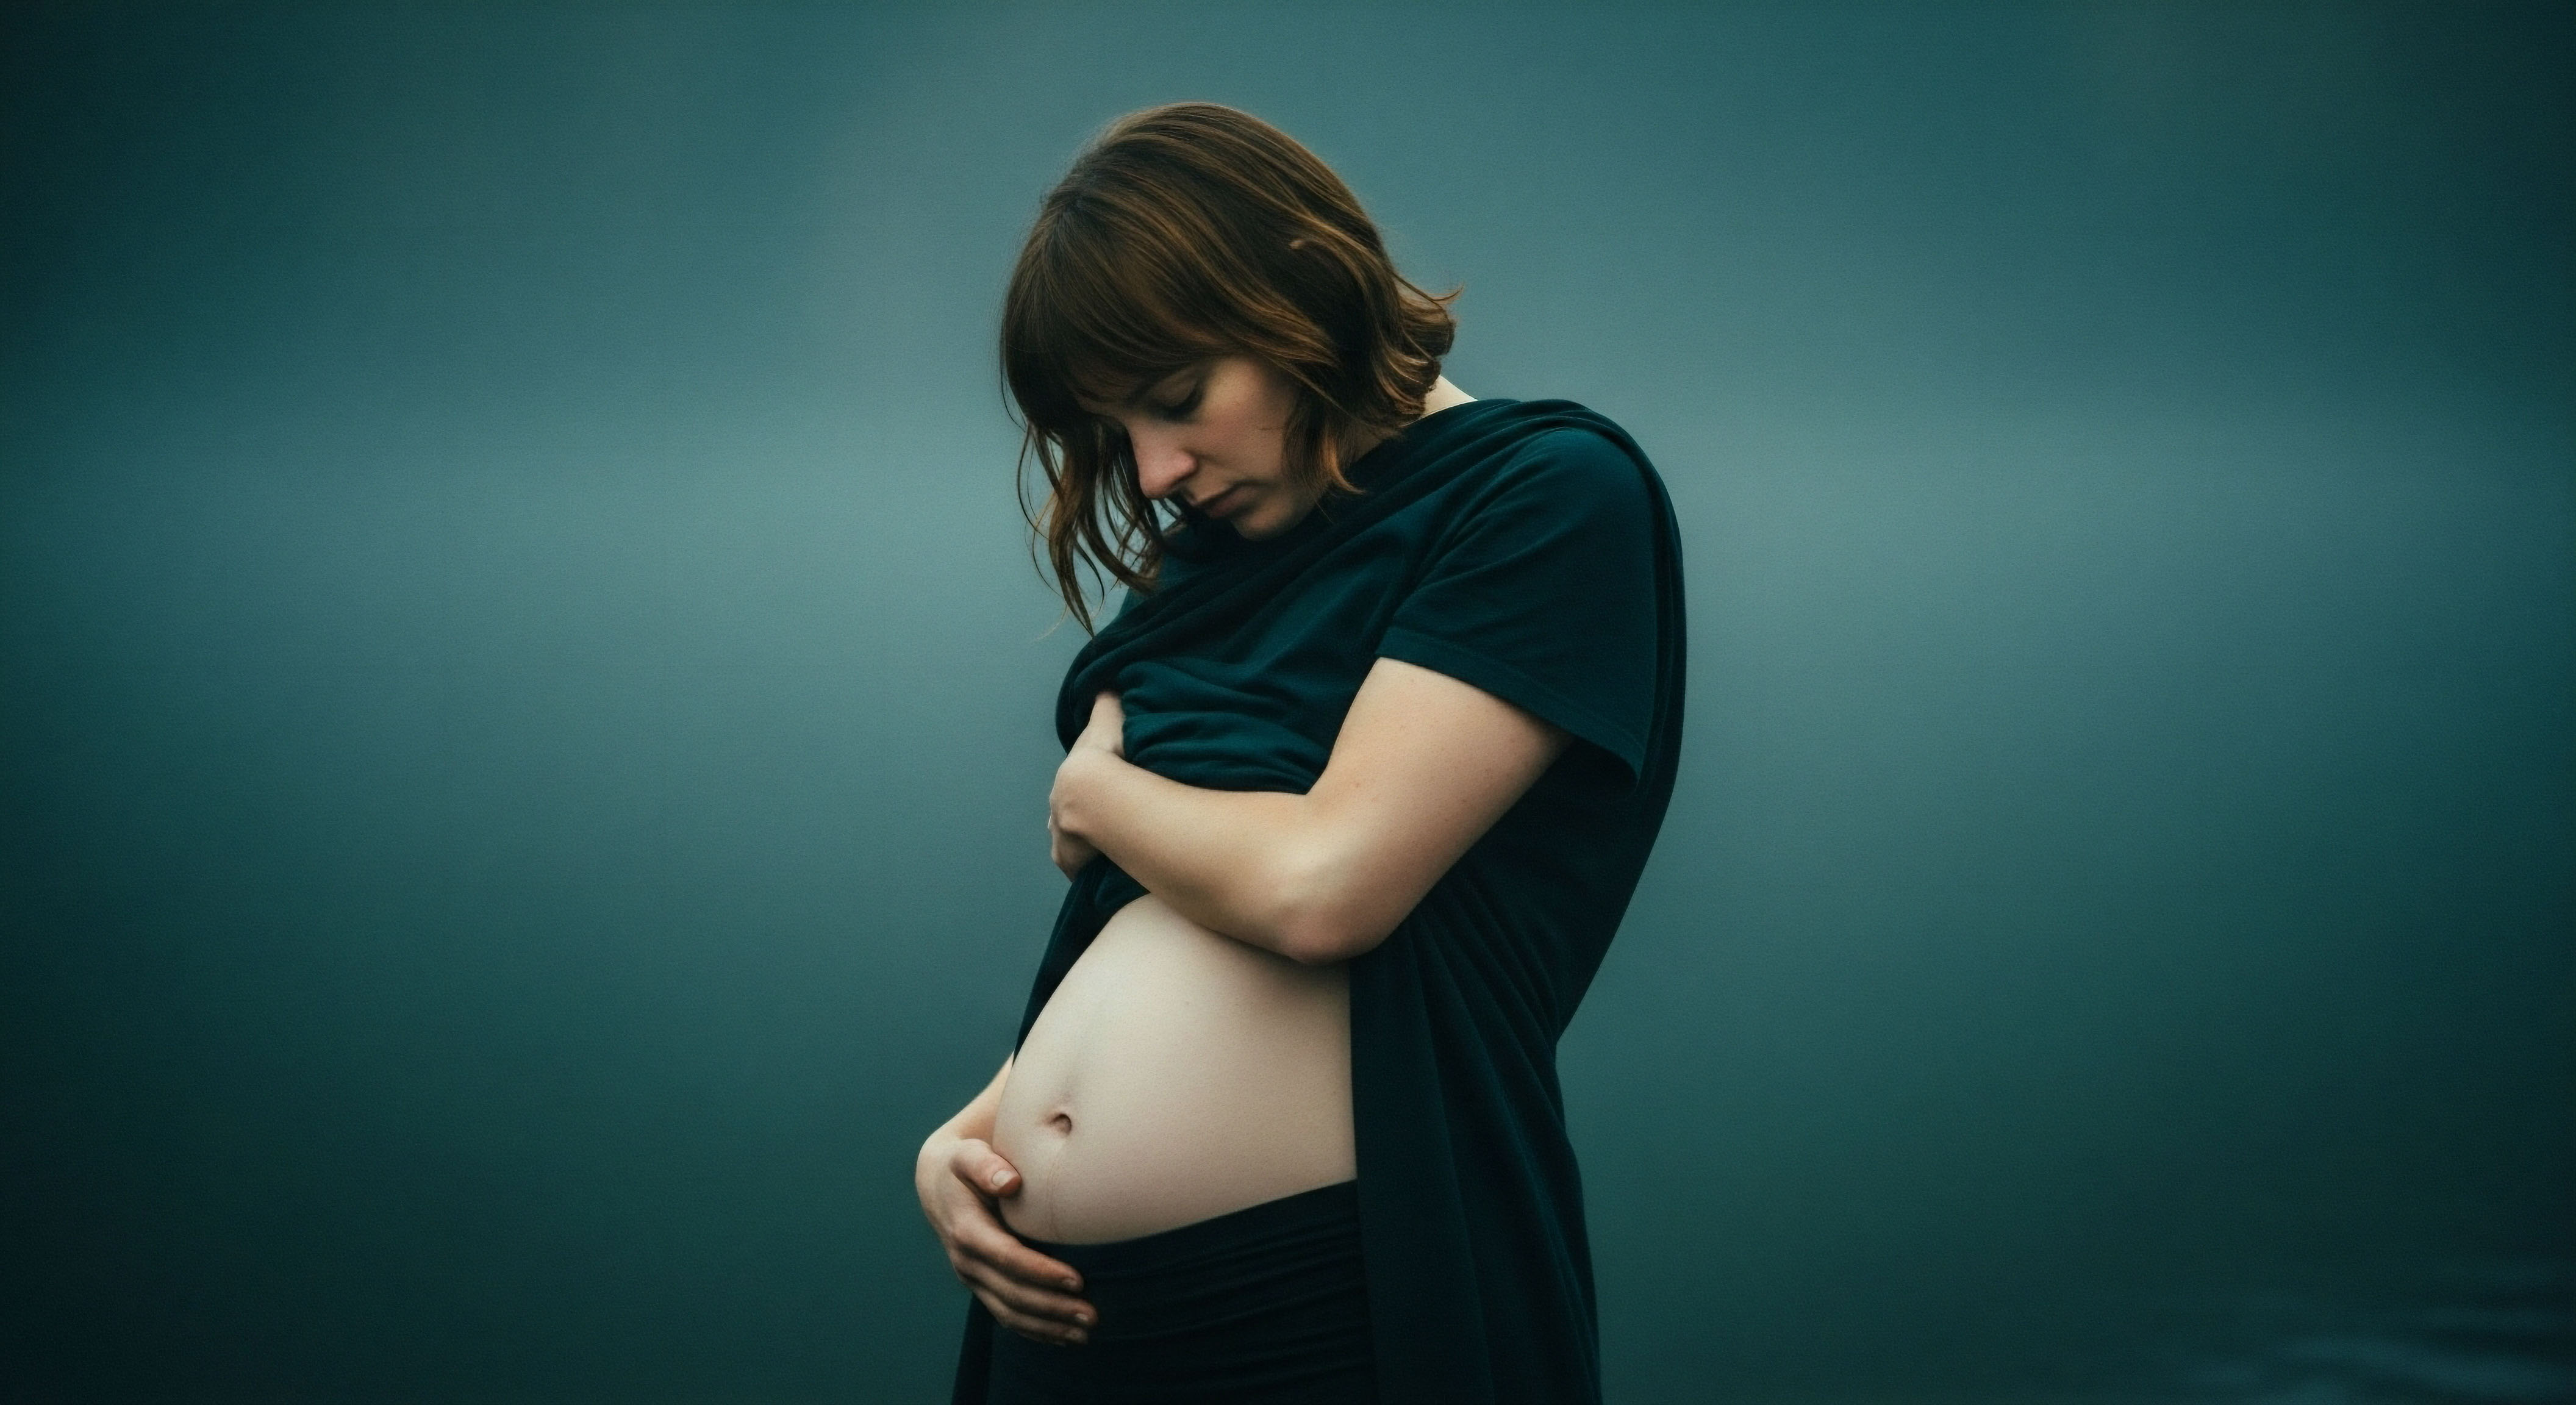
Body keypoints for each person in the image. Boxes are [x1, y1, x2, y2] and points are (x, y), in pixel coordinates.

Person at [915, 102, 1687, 1404]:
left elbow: (1322, 886)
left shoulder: (1545, 496)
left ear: (1299, 294)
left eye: (1176, 401)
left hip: (1323, 1302)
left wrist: (1097, 789)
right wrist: (980, 1127)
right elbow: (1164, 907)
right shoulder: (1227, 552)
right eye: (1118, 435)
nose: (1153, 472)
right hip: (1064, 1323)